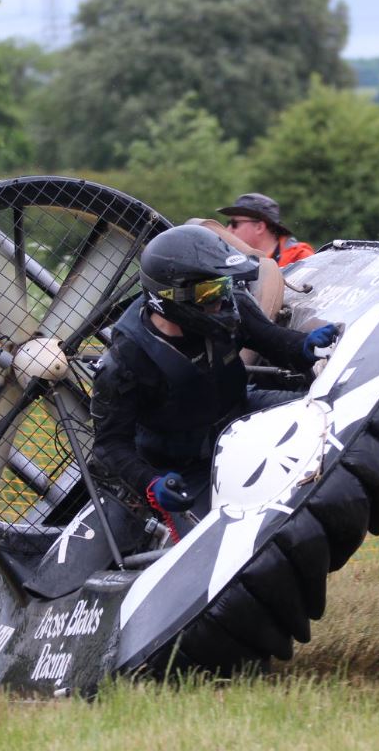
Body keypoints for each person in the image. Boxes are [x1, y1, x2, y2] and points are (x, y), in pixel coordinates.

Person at [90, 226, 338, 538]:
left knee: (331, 411)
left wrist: (303, 346)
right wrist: (152, 484)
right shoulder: (125, 362)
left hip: (243, 412)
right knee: (215, 545)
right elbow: (110, 445)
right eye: (209, 293)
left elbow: (272, 339)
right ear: (169, 297)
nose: (222, 299)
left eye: (225, 285)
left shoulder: (231, 306)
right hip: (183, 469)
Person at [218, 193, 315, 268]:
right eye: (228, 223)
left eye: (234, 224)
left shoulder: (300, 258)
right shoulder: (233, 261)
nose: (228, 229)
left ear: (259, 227)